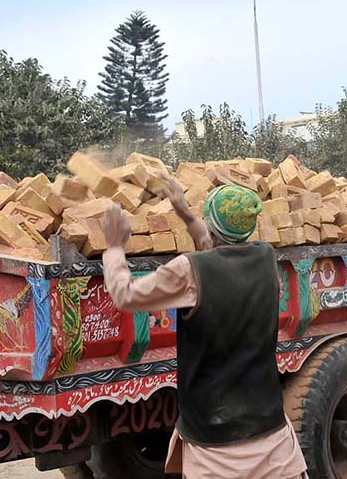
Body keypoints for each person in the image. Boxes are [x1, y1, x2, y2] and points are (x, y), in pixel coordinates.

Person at [101, 175, 308, 479]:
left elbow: (125, 295)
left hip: (215, 447)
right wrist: (186, 214)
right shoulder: (266, 258)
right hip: (271, 439)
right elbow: (218, 252)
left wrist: (114, 247)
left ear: (212, 225)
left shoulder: (189, 270)